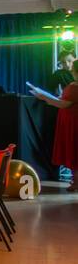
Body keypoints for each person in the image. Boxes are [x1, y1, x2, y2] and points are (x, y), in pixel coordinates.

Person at [30, 61, 78, 192]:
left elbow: (63, 104)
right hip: (70, 121)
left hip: (73, 122)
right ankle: (75, 180)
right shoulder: (74, 86)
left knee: (74, 149)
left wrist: (45, 97)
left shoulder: (75, 87)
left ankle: (76, 181)